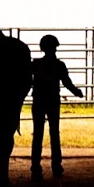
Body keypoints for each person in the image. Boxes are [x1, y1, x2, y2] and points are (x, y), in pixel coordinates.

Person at [30, 33, 82, 178]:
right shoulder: (59, 65)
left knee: (38, 134)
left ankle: (35, 167)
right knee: (54, 133)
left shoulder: (35, 64)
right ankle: (56, 166)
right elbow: (67, 82)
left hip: (38, 100)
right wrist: (77, 92)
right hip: (53, 100)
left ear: (42, 48)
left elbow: (28, 82)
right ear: (55, 48)